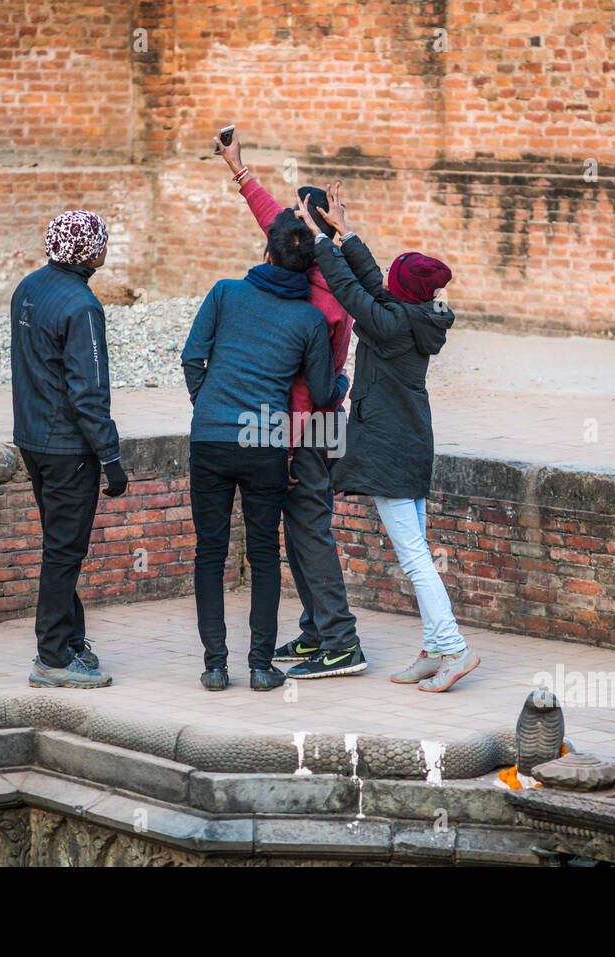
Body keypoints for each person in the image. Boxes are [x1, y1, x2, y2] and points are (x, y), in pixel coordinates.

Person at [294, 184, 479, 693]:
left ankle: (455, 649)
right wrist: (345, 231)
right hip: (412, 443)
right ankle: (433, 648)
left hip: (392, 450)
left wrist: (319, 241)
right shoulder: (412, 316)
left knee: (415, 556)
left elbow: (354, 293)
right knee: (416, 547)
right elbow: (374, 283)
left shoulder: (391, 324)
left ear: (405, 292)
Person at [213, 129, 366, 680]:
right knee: (299, 526)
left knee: (308, 528)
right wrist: (240, 171)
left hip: (311, 428)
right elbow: (272, 222)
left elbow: (313, 391)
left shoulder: (322, 296)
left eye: (297, 219)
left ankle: (342, 641)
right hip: (310, 423)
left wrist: (289, 447)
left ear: (309, 231)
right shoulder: (323, 261)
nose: (286, 227)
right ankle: (316, 630)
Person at [182, 213, 349, 692]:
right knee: (263, 553)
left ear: (266, 252)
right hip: (266, 445)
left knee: (209, 552)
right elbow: (321, 393)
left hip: (210, 439)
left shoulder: (225, 293)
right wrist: (343, 380)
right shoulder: (310, 318)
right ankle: (260, 666)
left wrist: (208, 405)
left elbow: (193, 358)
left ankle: (215, 666)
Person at [11, 209, 129, 690]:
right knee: (63, 552)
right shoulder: (82, 307)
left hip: (33, 440)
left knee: (60, 546)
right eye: (102, 243)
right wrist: (111, 457)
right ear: (88, 251)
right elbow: (89, 390)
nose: (105, 250)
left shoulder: (29, 288)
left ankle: (71, 639)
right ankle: (53, 658)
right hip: (67, 449)